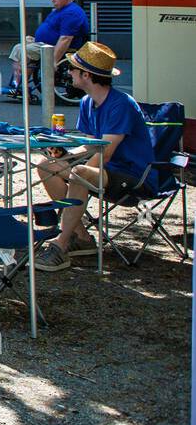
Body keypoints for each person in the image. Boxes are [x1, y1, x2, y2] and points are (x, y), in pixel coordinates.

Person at [34, 41, 158, 272]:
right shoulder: (87, 102)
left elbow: (105, 153)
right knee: (46, 165)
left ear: (86, 75)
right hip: (105, 172)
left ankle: (60, 245)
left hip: (133, 175)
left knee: (80, 173)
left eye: (72, 68)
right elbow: (91, 146)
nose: (68, 72)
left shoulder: (121, 104)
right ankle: (81, 237)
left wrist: (73, 174)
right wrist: (66, 157)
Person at [5, 0, 89, 100]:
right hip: (44, 43)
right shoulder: (59, 10)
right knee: (20, 46)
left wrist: (52, 61)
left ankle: (20, 86)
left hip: (55, 47)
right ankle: (16, 83)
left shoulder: (71, 13)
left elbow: (66, 39)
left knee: (24, 50)